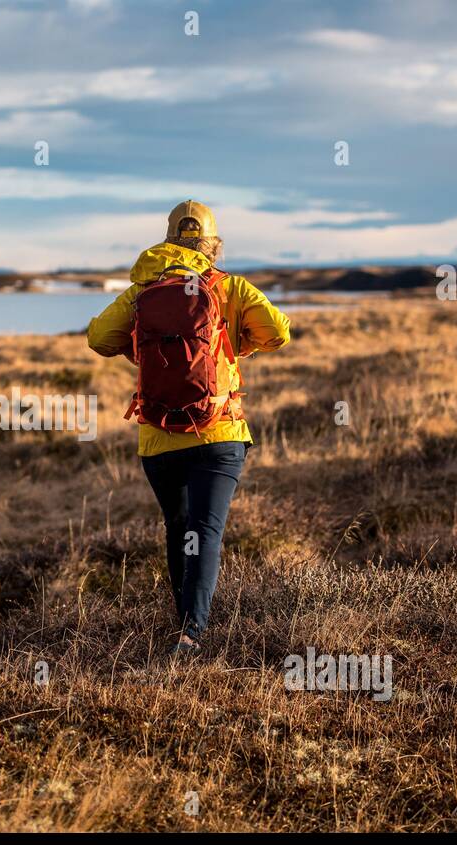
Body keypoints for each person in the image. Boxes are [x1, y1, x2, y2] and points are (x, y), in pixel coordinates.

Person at [87, 200, 291, 656]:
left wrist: (141, 348)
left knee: (178, 526)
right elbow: (278, 331)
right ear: (211, 245)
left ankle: (184, 626)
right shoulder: (229, 287)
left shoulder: (141, 292)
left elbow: (99, 338)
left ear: (168, 241)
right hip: (219, 433)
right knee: (206, 530)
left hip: (158, 436)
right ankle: (191, 634)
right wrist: (233, 345)